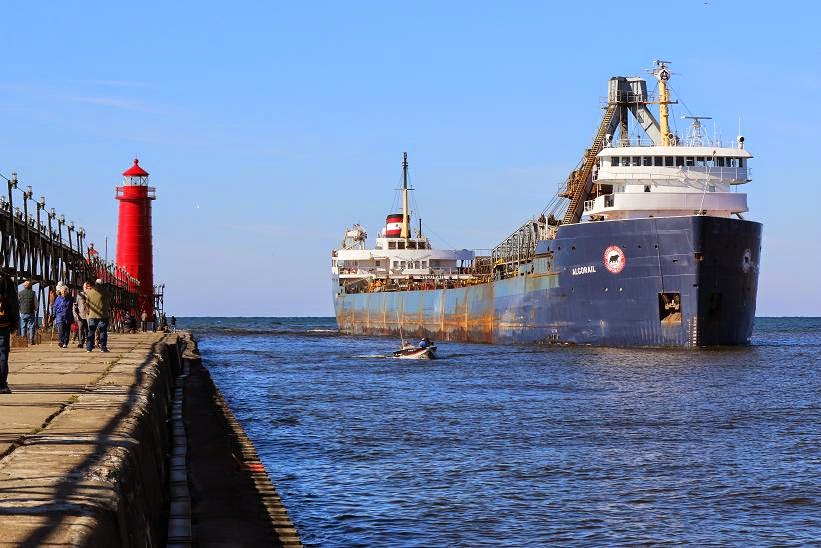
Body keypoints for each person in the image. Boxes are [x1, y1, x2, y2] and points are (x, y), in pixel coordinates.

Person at [0, 274, 20, 394]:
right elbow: (13, 305)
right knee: (2, 353)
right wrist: (15, 324)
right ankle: (2, 385)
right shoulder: (6, 280)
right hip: (3, 323)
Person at [84, 280, 110, 353]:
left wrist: (88, 311)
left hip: (92, 315)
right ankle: (103, 348)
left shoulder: (90, 292)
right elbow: (108, 301)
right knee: (102, 332)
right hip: (102, 315)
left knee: (91, 331)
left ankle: (89, 348)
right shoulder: (105, 291)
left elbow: (87, 303)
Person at [18, 279, 37, 344]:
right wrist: (36, 309)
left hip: (23, 312)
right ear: (30, 286)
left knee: (23, 326)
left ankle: (24, 340)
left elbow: (18, 303)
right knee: (32, 326)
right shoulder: (33, 293)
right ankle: (31, 340)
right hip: (31, 312)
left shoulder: (20, 293)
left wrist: (20, 310)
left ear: (24, 286)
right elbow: (35, 302)